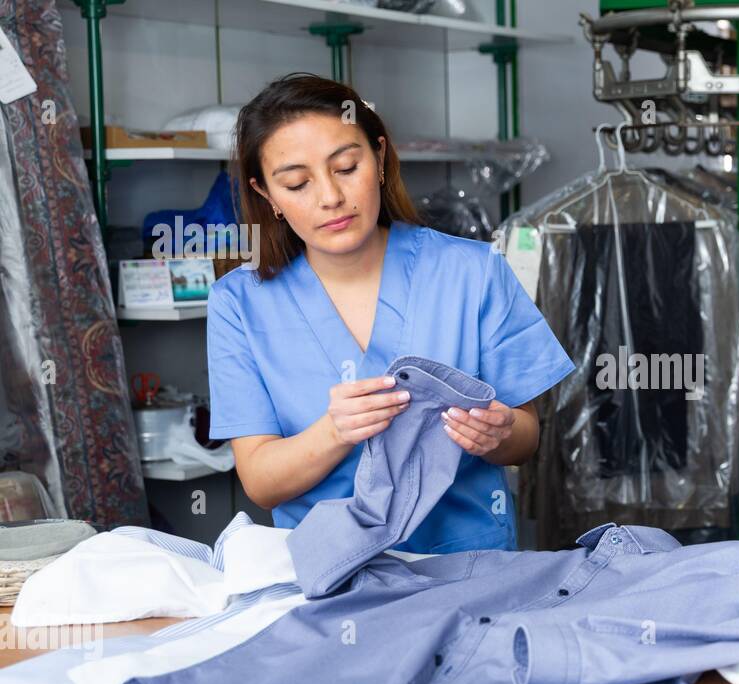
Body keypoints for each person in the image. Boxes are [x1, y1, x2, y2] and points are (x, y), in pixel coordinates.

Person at [206, 72, 574, 554]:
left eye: (345, 167)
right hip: (328, 576)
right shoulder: (238, 303)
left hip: (469, 564)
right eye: (296, 183)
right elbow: (261, 481)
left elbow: (525, 439)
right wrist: (334, 431)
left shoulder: (472, 270)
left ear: (378, 158)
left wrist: (496, 435)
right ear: (266, 195)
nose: (330, 198)